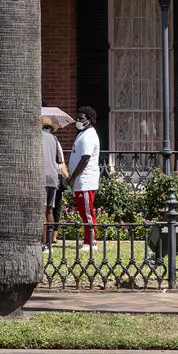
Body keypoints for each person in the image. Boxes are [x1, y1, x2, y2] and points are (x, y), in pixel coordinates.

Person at [67, 106, 101, 251]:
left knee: (87, 212)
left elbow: (85, 158)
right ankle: (87, 239)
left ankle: (91, 242)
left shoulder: (89, 135)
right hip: (81, 181)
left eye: (81, 118)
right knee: (83, 212)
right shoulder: (83, 134)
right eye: (78, 118)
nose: (78, 121)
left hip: (85, 179)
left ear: (89, 119)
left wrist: (72, 177)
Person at [41, 116, 67, 247]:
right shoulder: (55, 139)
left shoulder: (37, 137)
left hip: (41, 176)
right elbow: (59, 159)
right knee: (50, 210)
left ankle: (43, 242)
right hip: (53, 177)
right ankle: (50, 242)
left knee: (42, 210)